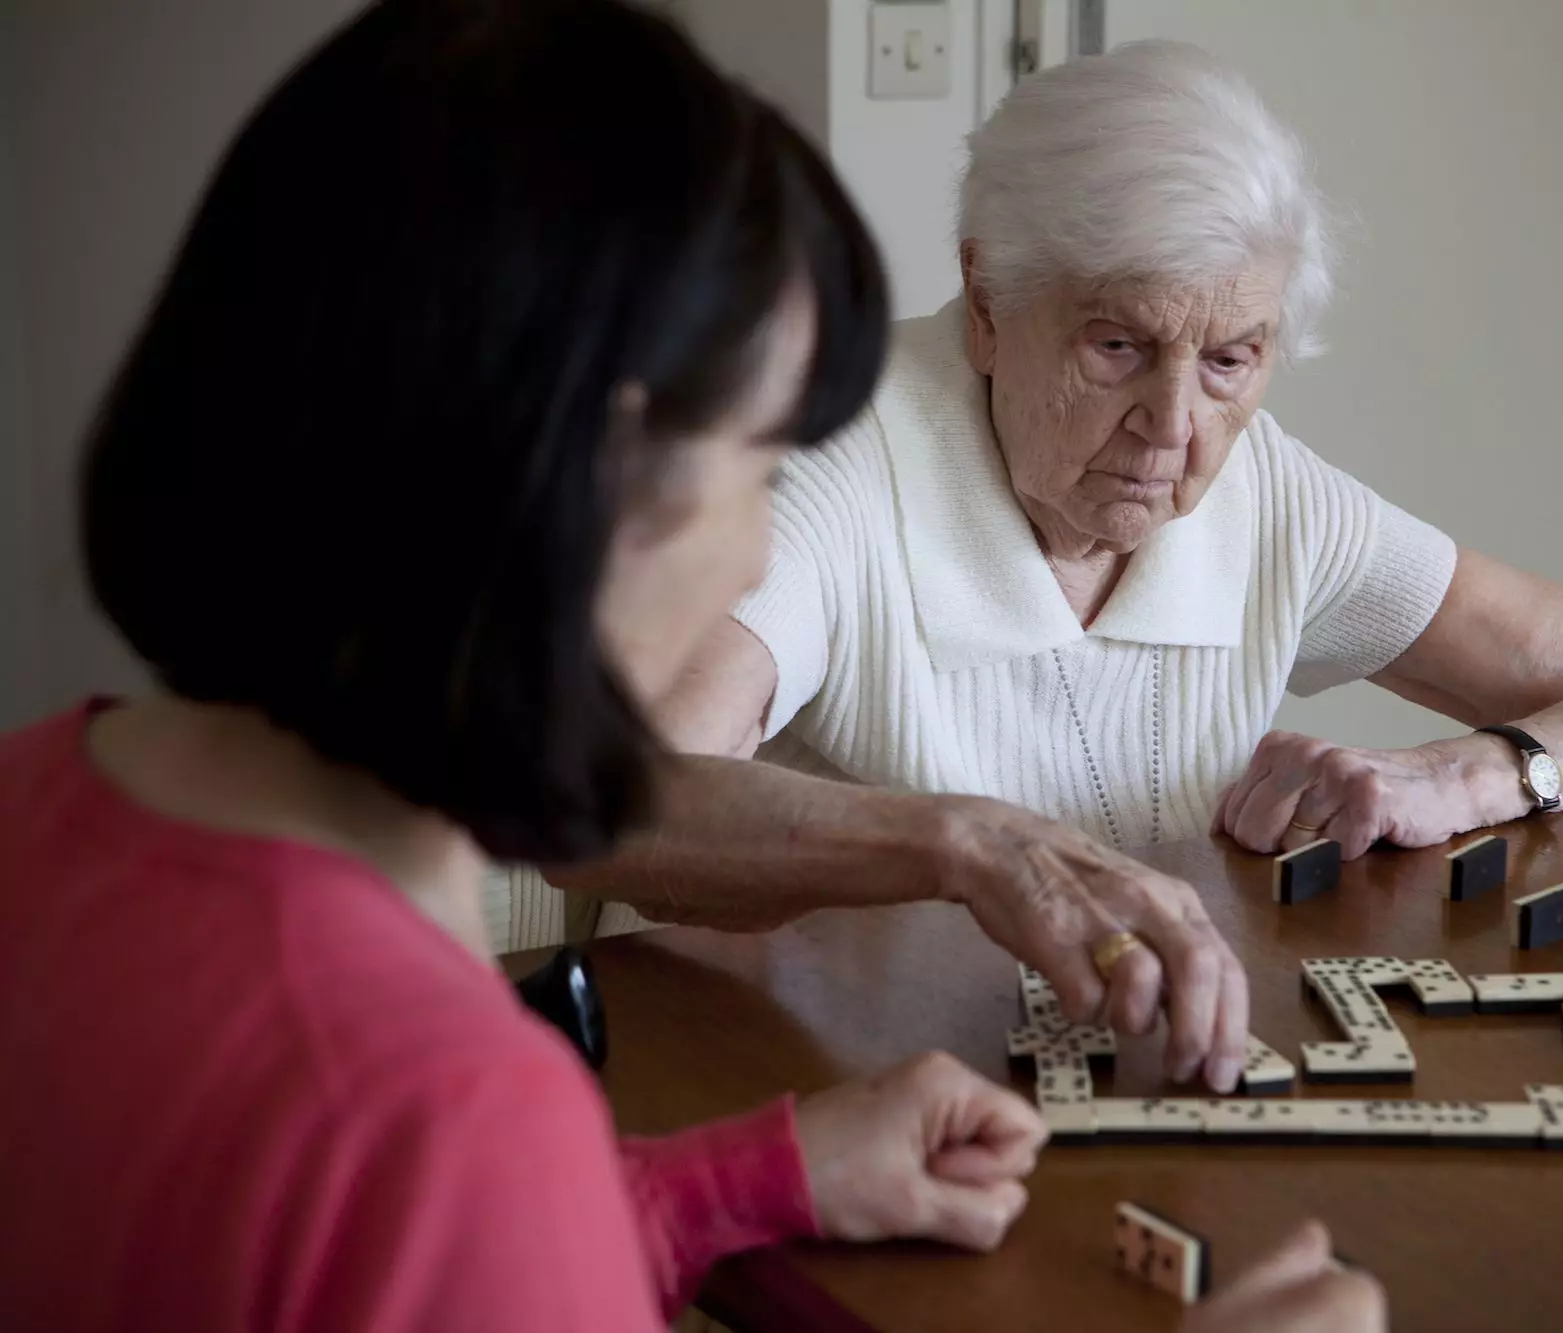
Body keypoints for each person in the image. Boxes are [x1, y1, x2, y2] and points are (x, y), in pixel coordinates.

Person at [0, 3, 1379, 1329]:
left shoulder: (34, 798)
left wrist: (738, 1182)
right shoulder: (451, 1113)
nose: (744, 563)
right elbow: (436, 1208)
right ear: (581, 485)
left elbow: (378, 1261)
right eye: (762, 467)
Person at [571, 39, 1563, 935]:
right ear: (986, 305)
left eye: (1232, 359)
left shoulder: (1268, 498)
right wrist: (958, 844)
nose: (1175, 427)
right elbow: (619, 801)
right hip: (805, 1094)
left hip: (1105, 1085)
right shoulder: (838, 471)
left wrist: (1465, 772)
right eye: (1117, 347)